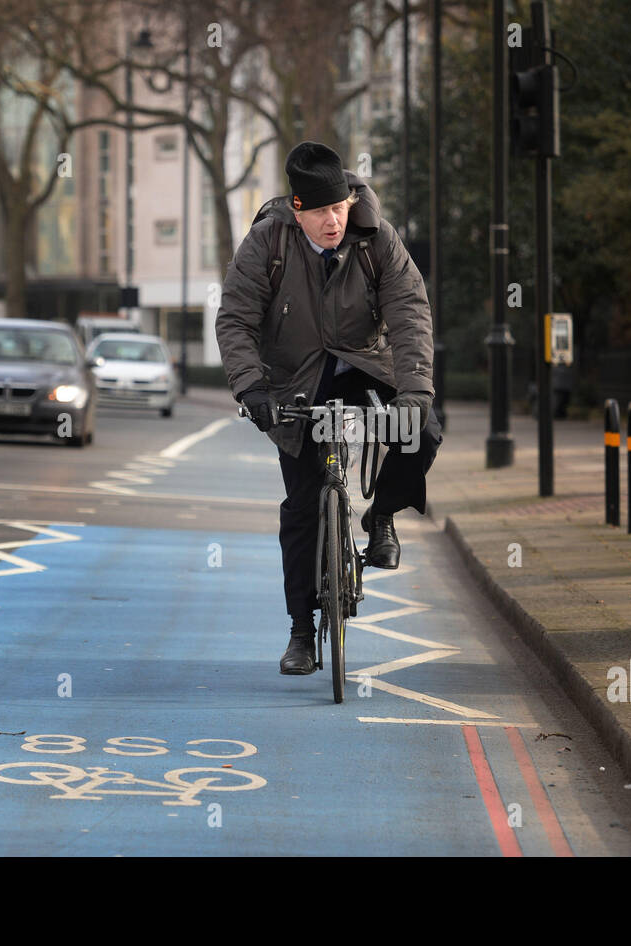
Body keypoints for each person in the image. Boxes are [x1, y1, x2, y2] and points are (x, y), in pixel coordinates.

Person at [216, 141, 441, 676]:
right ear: (298, 210)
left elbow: (409, 315)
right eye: (320, 212)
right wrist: (253, 392)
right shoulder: (267, 242)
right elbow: (236, 320)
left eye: (339, 208)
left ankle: (382, 514)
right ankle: (300, 633)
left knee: (424, 431)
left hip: (367, 368)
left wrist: (414, 394)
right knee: (300, 507)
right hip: (294, 383)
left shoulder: (377, 240)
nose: (333, 220)